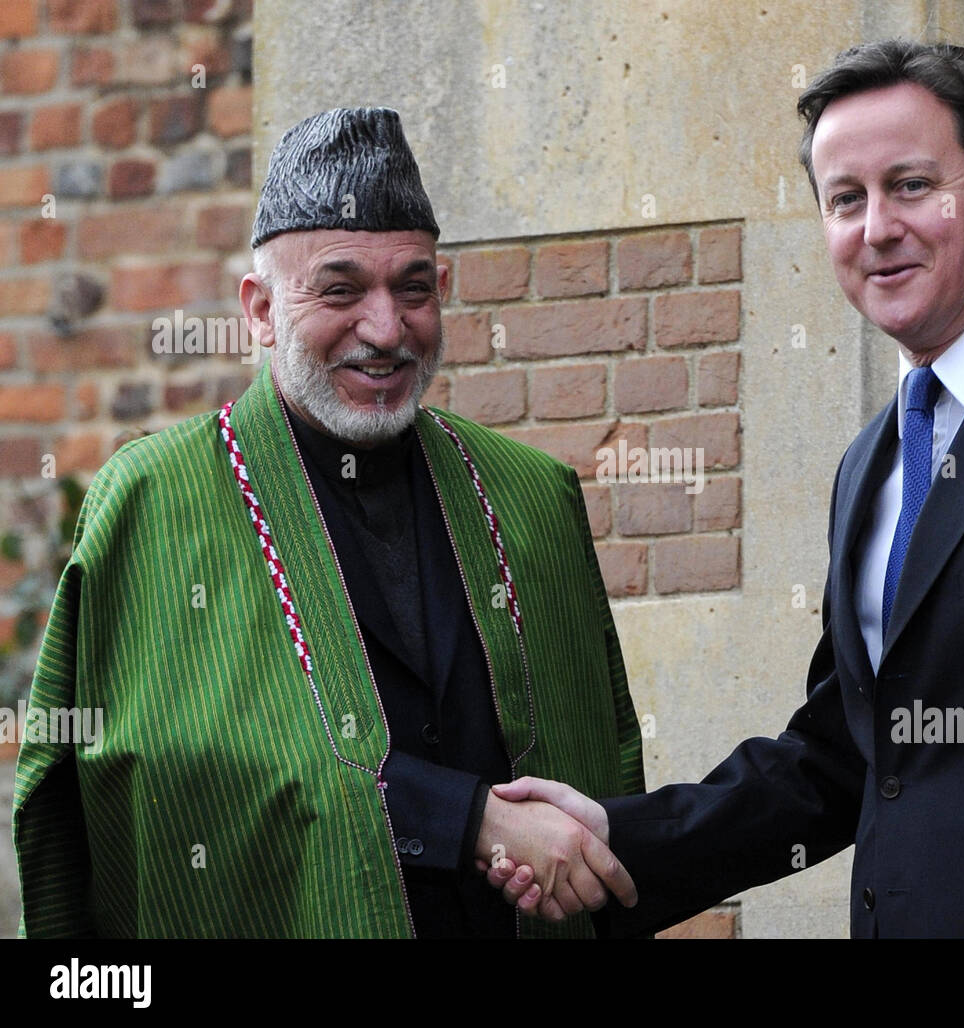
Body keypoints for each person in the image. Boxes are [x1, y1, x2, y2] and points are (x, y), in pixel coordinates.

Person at [485, 40, 964, 938]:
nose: (876, 228)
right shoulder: (873, 461)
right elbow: (842, 759)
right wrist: (621, 837)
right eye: (844, 200)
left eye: (910, 186)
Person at [12, 107, 644, 939]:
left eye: (413, 288)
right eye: (340, 289)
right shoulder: (151, 505)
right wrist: (466, 821)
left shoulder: (533, 501)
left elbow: (608, 774)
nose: (385, 331)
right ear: (262, 310)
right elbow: (152, 788)